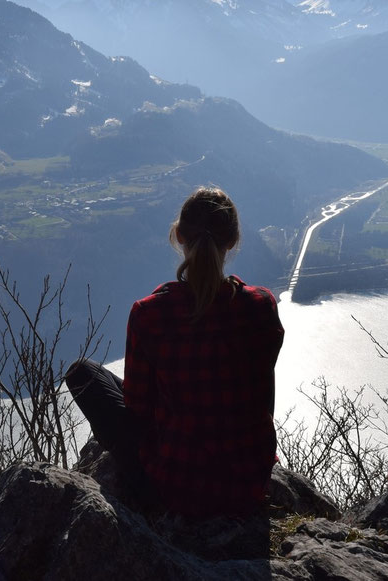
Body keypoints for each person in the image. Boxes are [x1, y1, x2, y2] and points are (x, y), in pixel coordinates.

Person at [65, 186, 284, 518]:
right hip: (249, 483)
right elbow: (262, 395)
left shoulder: (150, 314)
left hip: (176, 486)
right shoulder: (260, 306)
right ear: (232, 240)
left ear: (179, 235)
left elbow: (138, 409)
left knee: (83, 373)